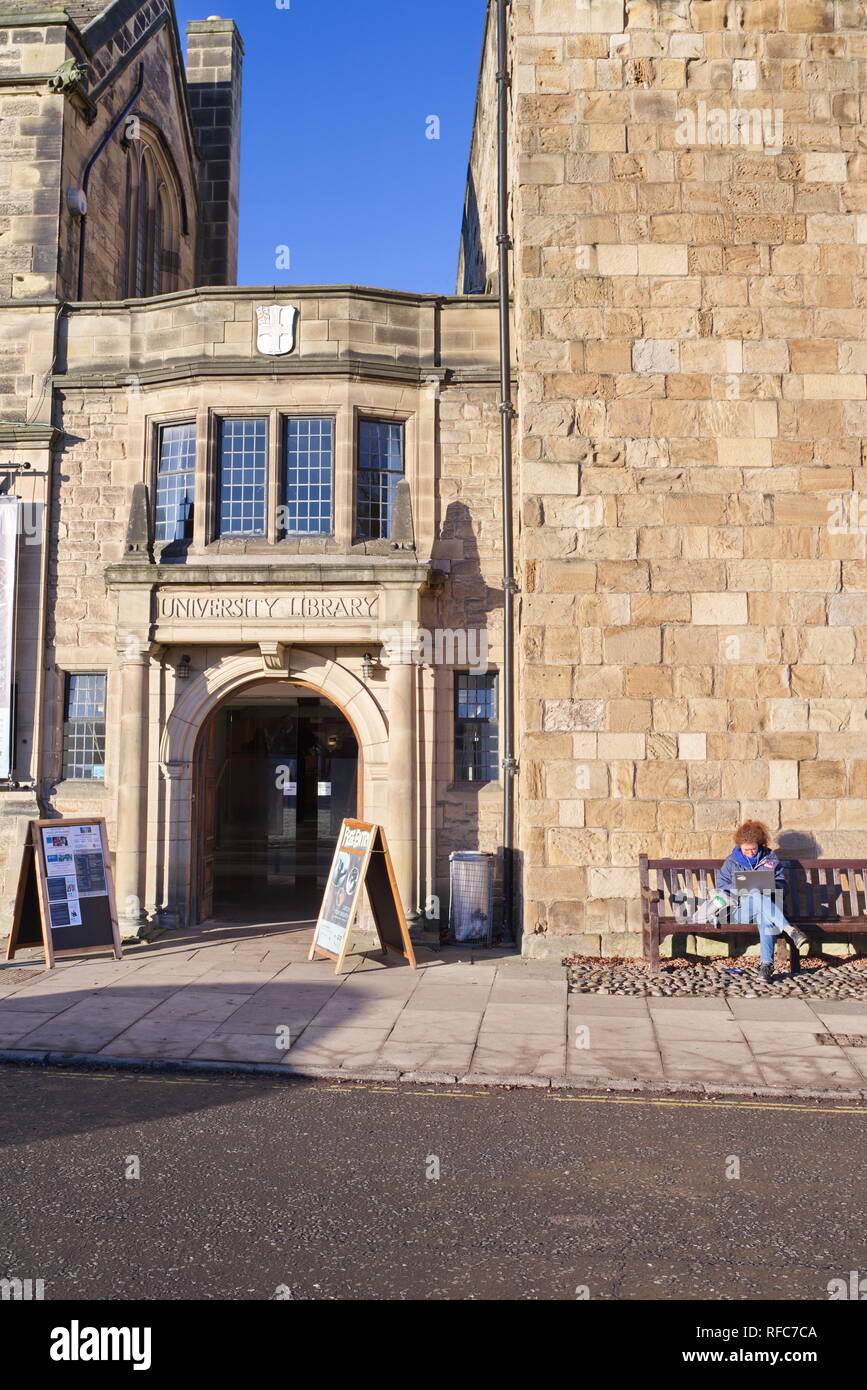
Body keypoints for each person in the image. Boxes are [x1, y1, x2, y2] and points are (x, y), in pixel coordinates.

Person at [715, 820, 810, 983]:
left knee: (765, 917)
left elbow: (783, 884)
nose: (750, 853)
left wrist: (772, 886)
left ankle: (766, 966)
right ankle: (790, 930)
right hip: (739, 910)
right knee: (754, 893)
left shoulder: (770, 858)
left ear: (759, 844)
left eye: (753, 849)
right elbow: (720, 886)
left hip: (767, 910)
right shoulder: (731, 861)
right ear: (739, 846)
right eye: (746, 850)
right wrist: (740, 888)